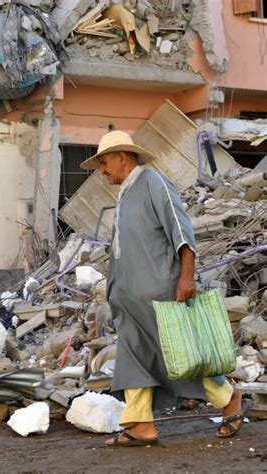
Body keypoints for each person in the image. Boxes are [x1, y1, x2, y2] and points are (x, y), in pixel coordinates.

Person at [80, 131, 247, 447]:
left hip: (162, 295)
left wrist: (186, 278)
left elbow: (181, 231)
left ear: (123, 157)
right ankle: (142, 425)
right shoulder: (126, 194)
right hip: (130, 301)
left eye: (104, 162)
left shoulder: (153, 182)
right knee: (134, 357)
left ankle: (229, 397)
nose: (102, 171)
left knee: (182, 355)